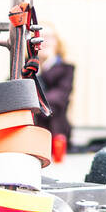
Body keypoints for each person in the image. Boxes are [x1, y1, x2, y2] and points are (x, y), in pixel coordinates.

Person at [33, 21, 75, 163]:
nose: (45, 41)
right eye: (41, 37)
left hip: (55, 134)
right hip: (31, 133)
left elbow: (58, 99)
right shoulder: (25, 67)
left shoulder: (66, 69)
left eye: (50, 37)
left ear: (57, 42)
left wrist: (46, 65)